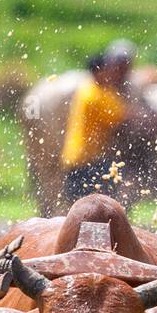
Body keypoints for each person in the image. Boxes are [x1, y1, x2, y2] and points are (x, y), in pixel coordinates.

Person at [60, 50, 129, 205]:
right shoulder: (94, 95)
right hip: (85, 159)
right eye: (108, 71)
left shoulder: (94, 89)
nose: (111, 75)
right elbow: (121, 116)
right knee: (88, 206)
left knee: (86, 205)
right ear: (99, 72)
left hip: (87, 157)